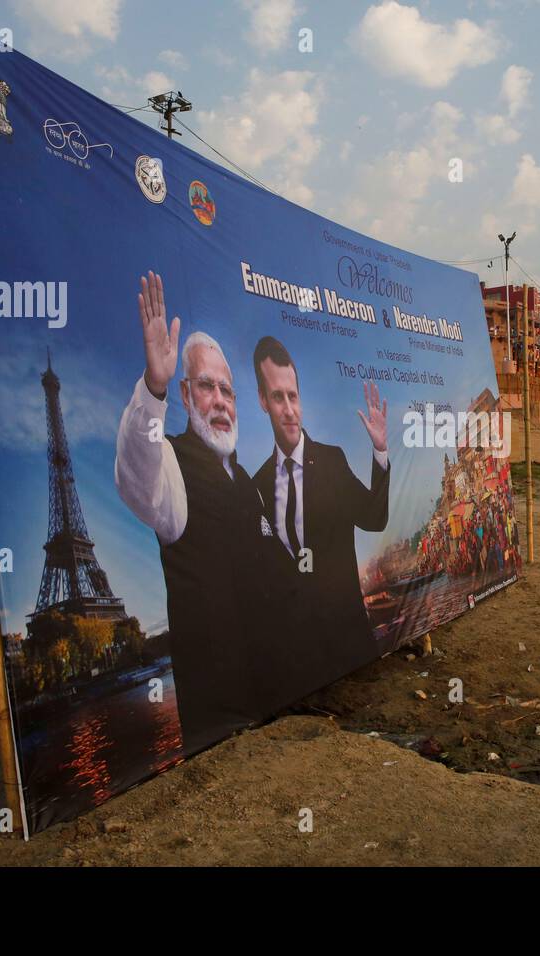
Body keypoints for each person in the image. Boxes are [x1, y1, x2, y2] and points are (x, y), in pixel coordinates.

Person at [114, 271, 274, 753]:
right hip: (216, 733)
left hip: (268, 705)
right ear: (185, 396)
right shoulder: (170, 463)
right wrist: (152, 390)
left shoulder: (246, 482)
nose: (221, 402)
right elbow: (136, 480)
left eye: (227, 391)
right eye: (207, 388)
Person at [250, 336, 390, 699]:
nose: (289, 409)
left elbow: (375, 518)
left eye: (293, 396)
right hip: (298, 667)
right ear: (263, 401)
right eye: (277, 397)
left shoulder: (332, 461)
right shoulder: (257, 486)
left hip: (351, 652)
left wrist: (380, 451)